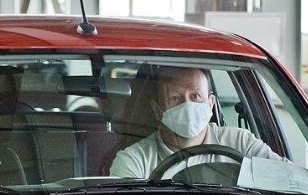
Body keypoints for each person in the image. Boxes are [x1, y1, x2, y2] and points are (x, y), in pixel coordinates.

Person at [109, 66, 283, 179]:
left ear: (211, 104)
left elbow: (289, 180)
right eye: (175, 98)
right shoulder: (134, 161)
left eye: (195, 96)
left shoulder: (241, 143)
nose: (187, 105)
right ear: (157, 110)